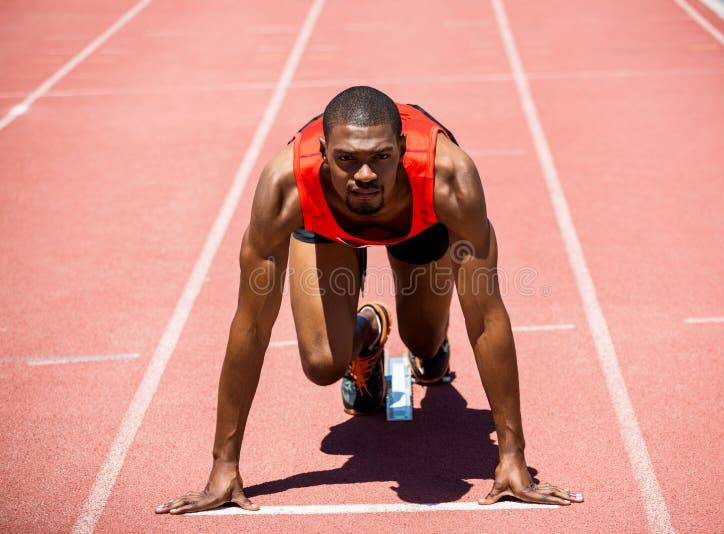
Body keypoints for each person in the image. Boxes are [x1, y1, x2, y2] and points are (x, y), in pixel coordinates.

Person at [155, 86, 583, 515]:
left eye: (379, 157)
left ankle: (425, 344)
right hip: (328, 228)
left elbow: (487, 317)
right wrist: (223, 468)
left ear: (401, 148)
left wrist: (512, 458)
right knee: (323, 363)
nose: (363, 174)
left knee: (424, 343)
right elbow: (250, 324)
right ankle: (369, 333)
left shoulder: (449, 177)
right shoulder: (285, 186)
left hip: (420, 220)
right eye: (346, 160)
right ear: (323, 152)